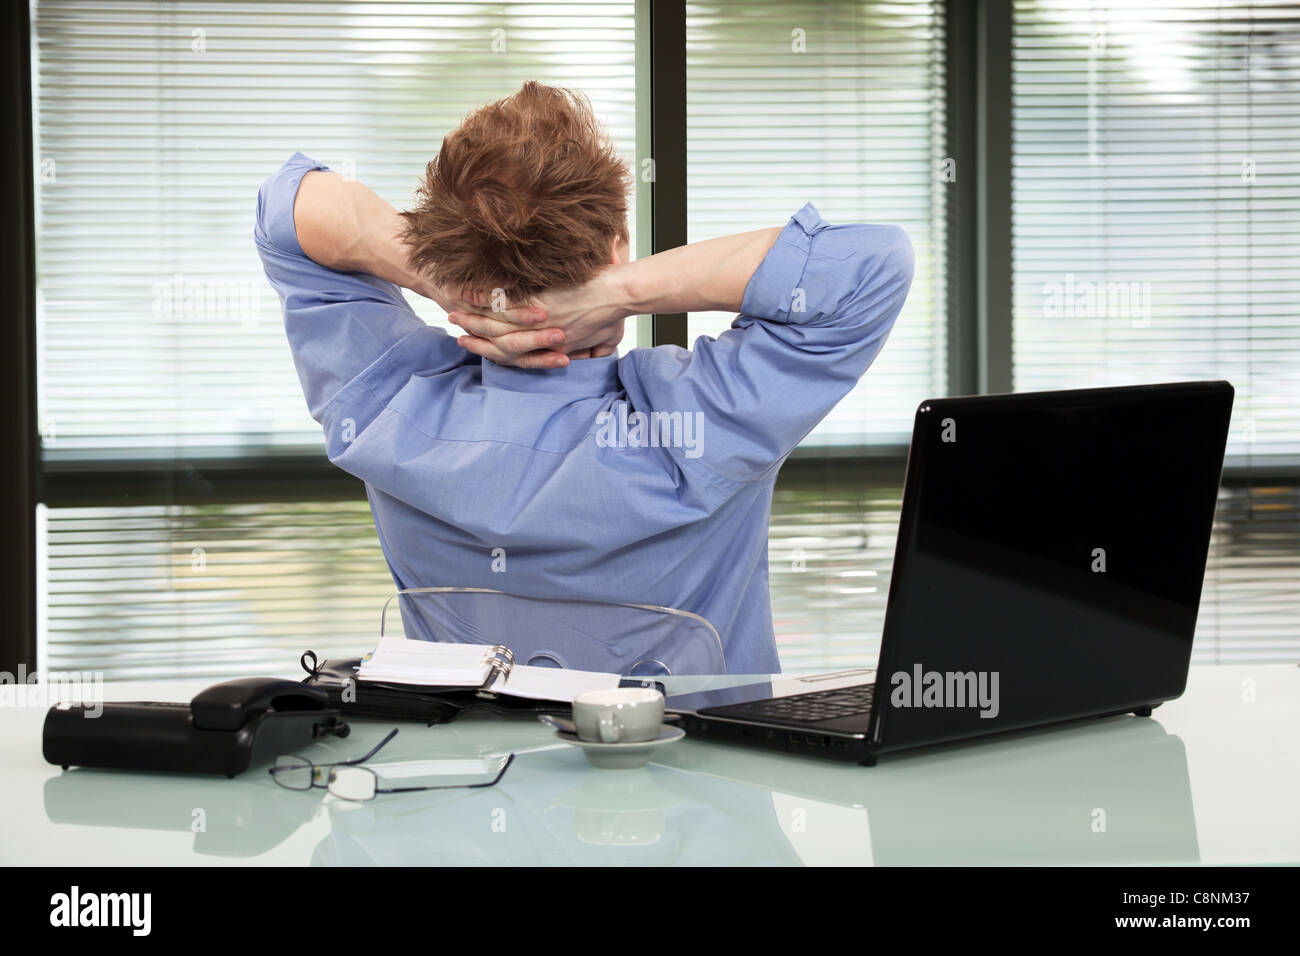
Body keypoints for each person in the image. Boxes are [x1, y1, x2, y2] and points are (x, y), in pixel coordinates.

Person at [254, 81, 913, 674]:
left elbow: (289, 210)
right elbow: (872, 266)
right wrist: (618, 292)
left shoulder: (389, 405)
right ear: (617, 244)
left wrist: (454, 283)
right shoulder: (695, 422)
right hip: (702, 803)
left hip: (466, 799)